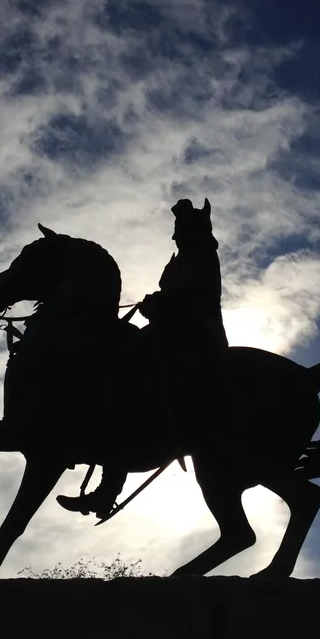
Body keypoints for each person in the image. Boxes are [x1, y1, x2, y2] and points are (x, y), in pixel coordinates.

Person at [56, 198, 229, 518]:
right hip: (172, 328)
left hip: (192, 333)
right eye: (176, 228)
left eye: (181, 228)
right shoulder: (183, 256)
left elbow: (194, 291)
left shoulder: (202, 254)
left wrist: (163, 301)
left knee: (123, 363)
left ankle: (107, 489)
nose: (175, 234)